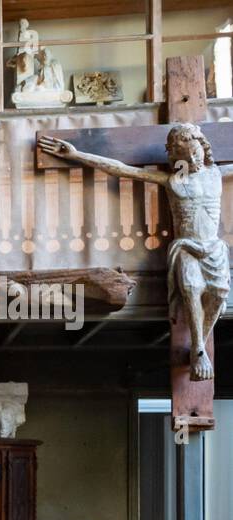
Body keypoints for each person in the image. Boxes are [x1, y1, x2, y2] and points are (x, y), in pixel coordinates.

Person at [39, 124, 229, 380]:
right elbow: (121, 169)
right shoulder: (172, 180)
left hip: (214, 249)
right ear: (176, 157)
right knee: (192, 287)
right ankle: (198, 348)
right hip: (187, 246)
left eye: (194, 150)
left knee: (218, 295)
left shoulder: (216, 174)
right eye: (183, 153)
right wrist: (77, 155)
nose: (191, 158)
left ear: (202, 148)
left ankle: (200, 341)